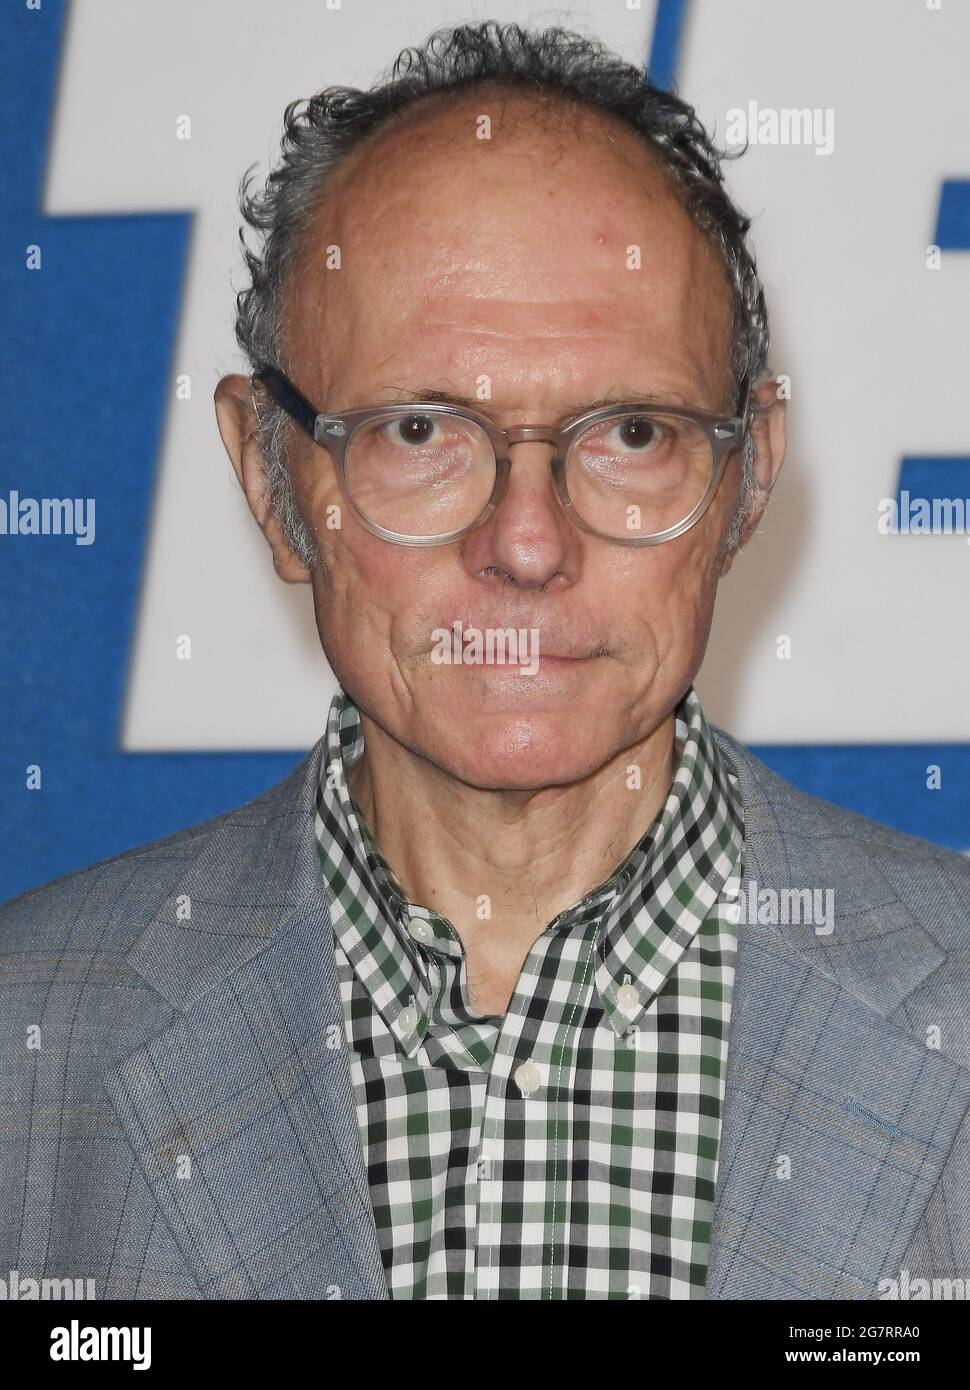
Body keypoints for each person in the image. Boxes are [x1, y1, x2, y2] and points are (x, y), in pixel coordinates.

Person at [2, 22, 968, 1302]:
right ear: (269, 475)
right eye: (419, 430)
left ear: (747, 477)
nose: (525, 545)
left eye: (631, 430)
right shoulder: (29, 1041)